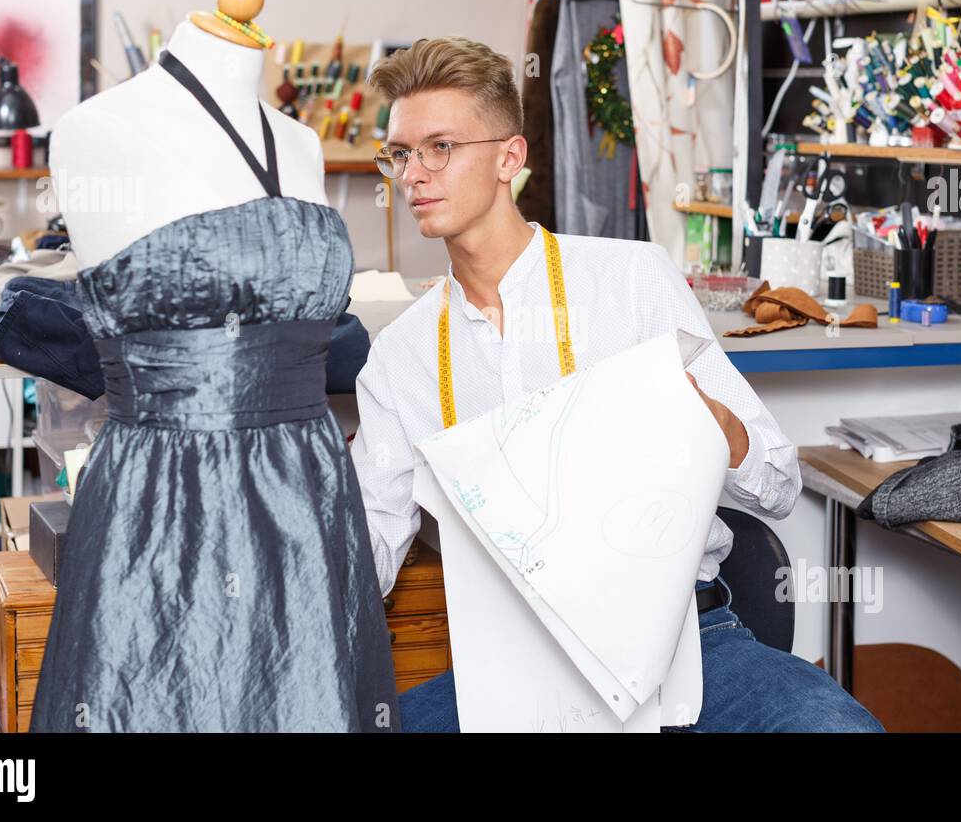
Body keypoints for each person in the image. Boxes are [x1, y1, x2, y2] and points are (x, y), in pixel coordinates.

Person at [350, 36, 883, 733]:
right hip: (513, 663)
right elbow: (371, 548)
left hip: (687, 644)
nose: (414, 173)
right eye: (400, 153)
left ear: (510, 157)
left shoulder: (631, 280)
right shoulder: (401, 358)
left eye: (440, 147)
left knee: (837, 730)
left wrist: (712, 426)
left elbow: (779, 484)